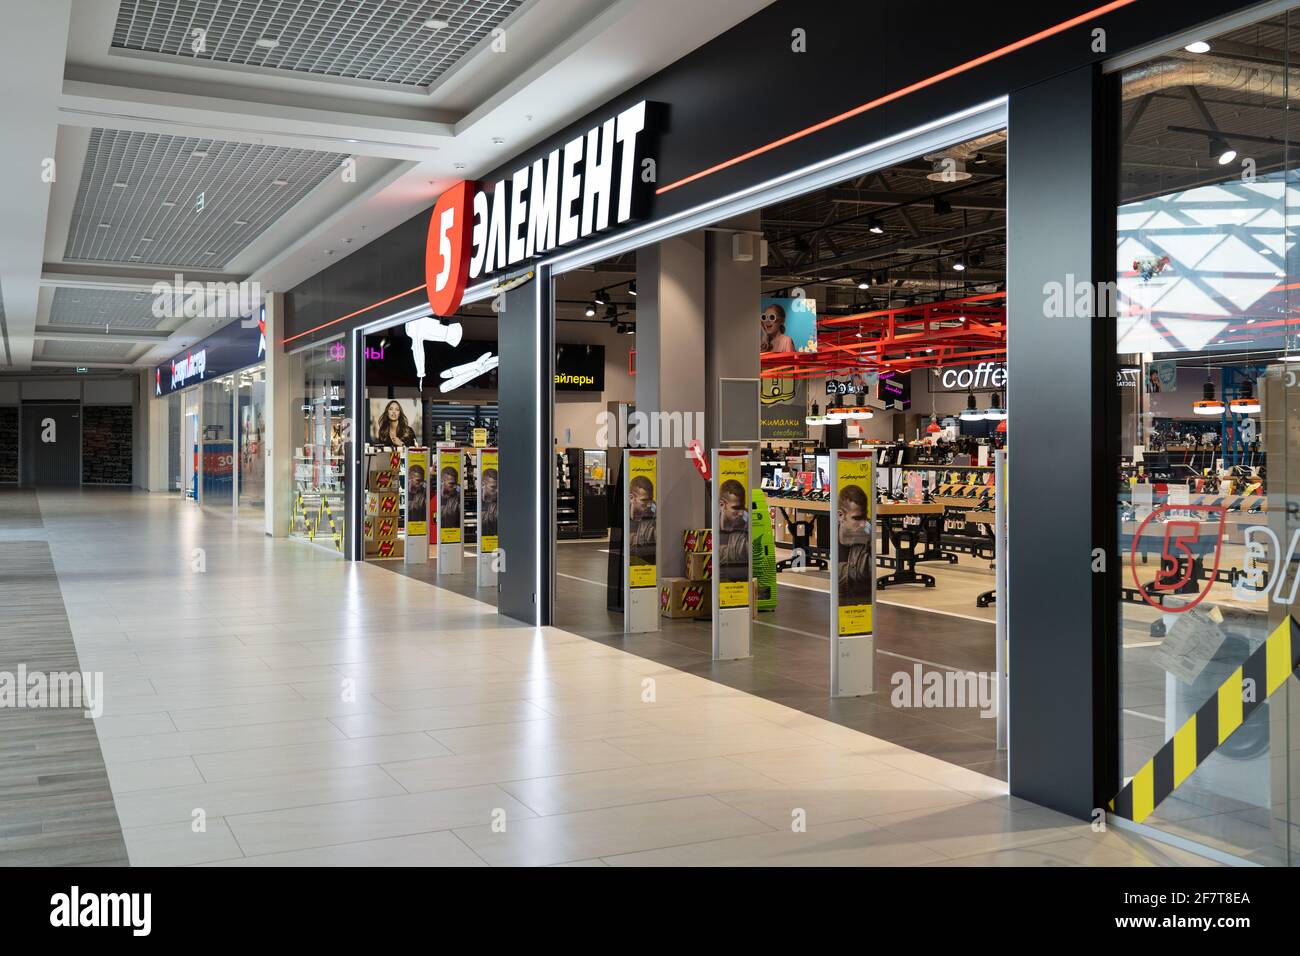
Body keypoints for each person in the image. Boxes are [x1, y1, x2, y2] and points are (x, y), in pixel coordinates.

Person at [837, 483, 873, 601]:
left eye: (865, 518)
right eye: (857, 518)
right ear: (841, 515)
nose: (863, 524)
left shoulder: (867, 541)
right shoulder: (834, 541)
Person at [717, 479, 749, 577]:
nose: (740, 513)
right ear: (722, 505)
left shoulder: (746, 527)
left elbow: (740, 557)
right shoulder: (711, 526)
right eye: (735, 508)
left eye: (742, 508)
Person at [628, 474, 656, 565]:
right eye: (644, 500)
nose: (648, 504)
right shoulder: (623, 517)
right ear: (632, 498)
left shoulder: (655, 515)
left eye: (650, 500)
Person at [479, 467, 499, 539]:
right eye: (493, 487)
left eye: (498, 487)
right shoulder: (479, 503)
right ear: (483, 484)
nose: (497, 490)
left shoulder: (500, 503)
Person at [439, 464, 462, 529]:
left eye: (456, 484)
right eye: (451, 484)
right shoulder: (435, 499)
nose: (455, 487)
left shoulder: (458, 498)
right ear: (442, 481)